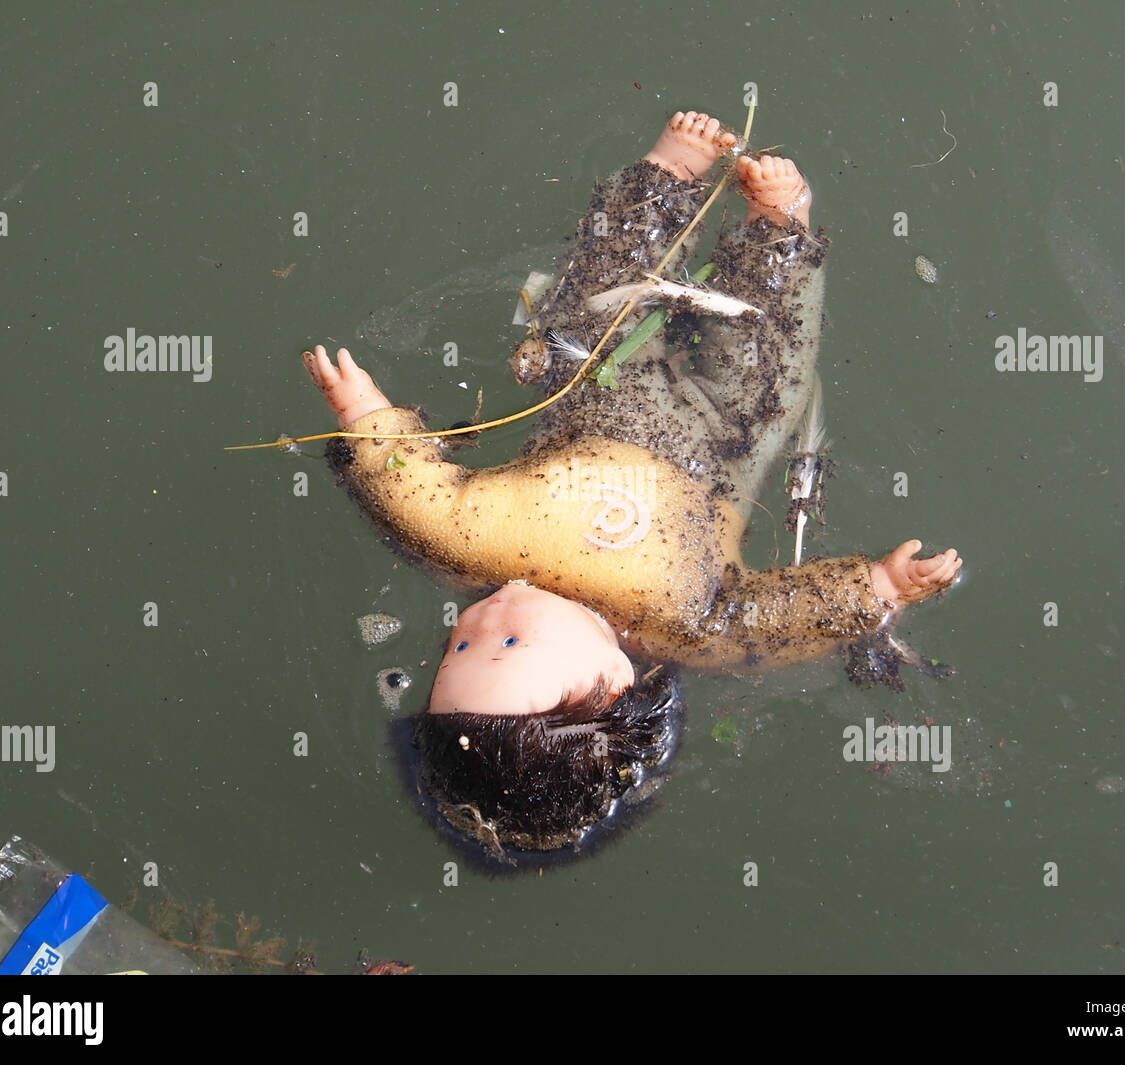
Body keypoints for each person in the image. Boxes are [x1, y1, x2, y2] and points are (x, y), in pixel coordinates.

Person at [303, 111, 962, 859]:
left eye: (455, 652)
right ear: (615, 683)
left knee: (593, 292)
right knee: (769, 352)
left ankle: (666, 175)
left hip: (595, 394)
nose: (480, 625)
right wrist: (878, 590)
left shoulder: (470, 544)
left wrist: (364, 417)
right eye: (510, 642)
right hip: (722, 432)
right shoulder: (678, 621)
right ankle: (780, 230)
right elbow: (774, 622)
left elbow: (406, 495)